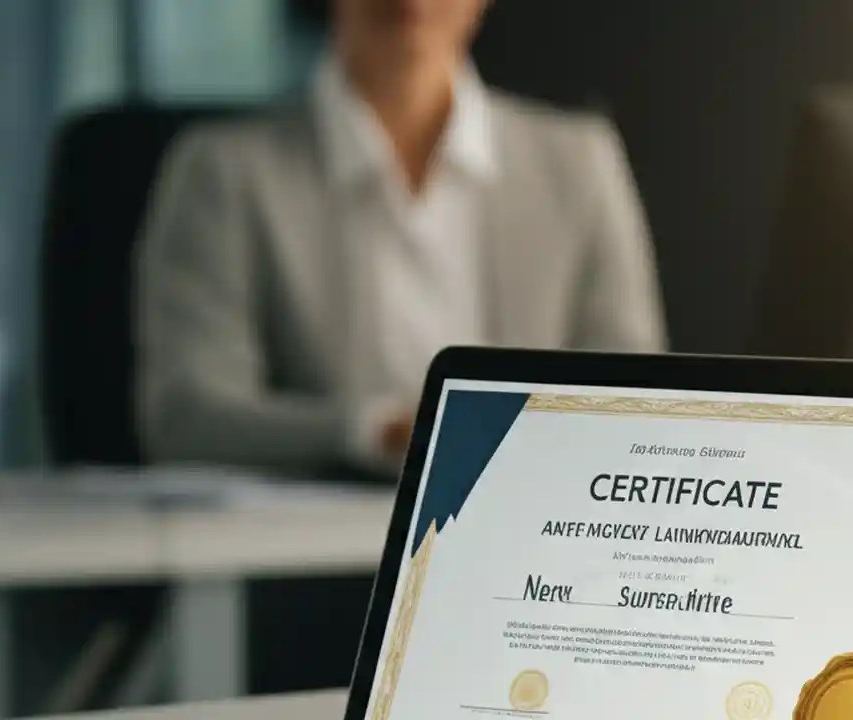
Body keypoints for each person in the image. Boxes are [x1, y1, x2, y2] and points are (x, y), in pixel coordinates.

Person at [137, 0, 666, 477]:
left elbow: (635, 397)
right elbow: (188, 414)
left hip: (528, 549)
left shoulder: (579, 163)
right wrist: (377, 431)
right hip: (306, 562)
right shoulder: (222, 171)